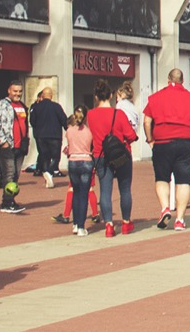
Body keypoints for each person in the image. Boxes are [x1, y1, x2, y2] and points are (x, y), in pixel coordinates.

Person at [143, 69, 190, 231]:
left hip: (162, 143)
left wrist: (150, 140)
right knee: (183, 180)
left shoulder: (156, 98)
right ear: (183, 81)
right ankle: (180, 219)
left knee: (162, 178)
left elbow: (147, 121)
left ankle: (165, 208)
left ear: (168, 79)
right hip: (185, 142)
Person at [87, 83, 138, 236]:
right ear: (111, 96)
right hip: (121, 155)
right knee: (125, 190)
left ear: (96, 97)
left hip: (100, 155)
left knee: (105, 191)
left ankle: (109, 225)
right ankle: (126, 223)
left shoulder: (90, 115)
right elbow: (131, 136)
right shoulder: (119, 114)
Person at [0, 81, 29, 213]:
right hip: (7, 146)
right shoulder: (2, 105)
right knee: (9, 174)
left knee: (16, 175)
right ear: (9, 91)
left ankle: (10, 200)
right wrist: (3, 141)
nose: (18, 94)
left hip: (20, 145)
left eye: (20, 91)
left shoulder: (22, 106)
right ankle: (7, 203)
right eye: (15, 91)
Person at [61, 107, 97, 235]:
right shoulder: (89, 131)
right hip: (86, 160)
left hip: (73, 162)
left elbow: (69, 145)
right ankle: (81, 226)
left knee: (75, 193)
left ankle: (76, 224)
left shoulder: (69, 131)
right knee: (83, 194)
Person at [28, 84, 68, 187]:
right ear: (51, 95)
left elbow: (32, 121)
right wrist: (68, 130)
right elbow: (64, 120)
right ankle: (49, 172)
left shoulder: (36, 107)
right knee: (55, 157)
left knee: (44, 156)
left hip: (41, 136)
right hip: (55, 136)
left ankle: (47, 174)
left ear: (43, 95)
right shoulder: (56, 107)